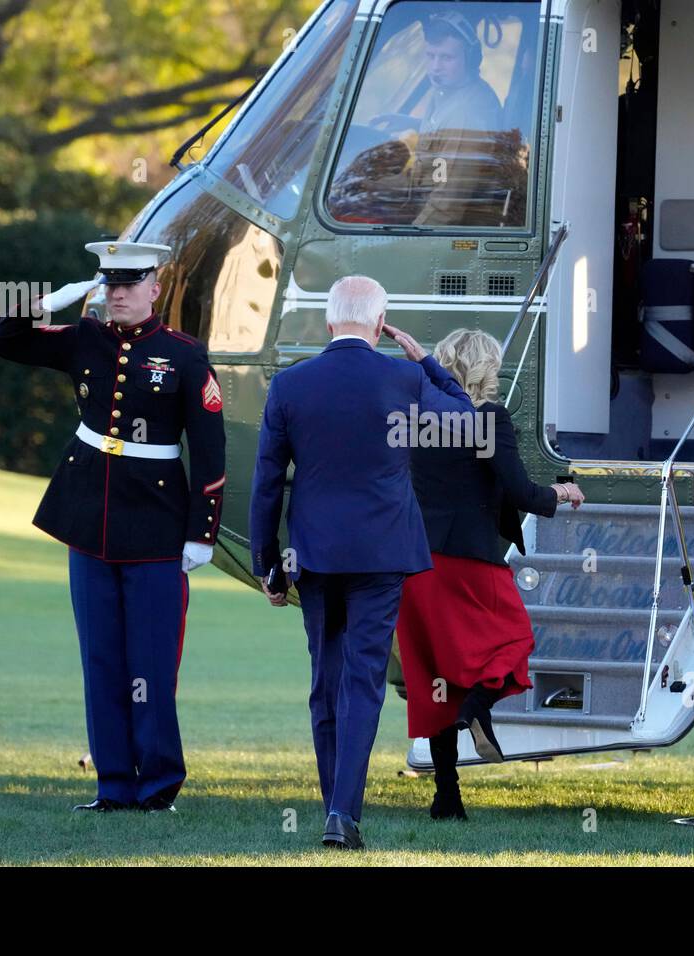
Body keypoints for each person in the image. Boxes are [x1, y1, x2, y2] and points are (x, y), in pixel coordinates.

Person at [0, 240, 227, 814]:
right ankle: (113, 786)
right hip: (88, 516)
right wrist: (47, 303)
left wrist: (202, 533)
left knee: (151, 660)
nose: (117, 293)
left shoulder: (186, 356)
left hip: (156, 524)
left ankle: (159, 784)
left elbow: (211, 451)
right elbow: (3, 342)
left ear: (154, 288)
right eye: (109, 283)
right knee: (101, 660)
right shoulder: (85, 337)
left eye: (129, 283)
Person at [248, 275, 475, 850]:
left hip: (314, 555)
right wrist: (427, 363)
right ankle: (342, 813)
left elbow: (268, 482)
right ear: (380, 325)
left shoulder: (291, 384)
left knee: (325, 681)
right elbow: (466, 420)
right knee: (363, 680)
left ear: (328, 323)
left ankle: (334, 807)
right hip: (380, 553)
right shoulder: (402, 377)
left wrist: (266, 563)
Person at [394, 328, 584, 820]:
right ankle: (477, 708)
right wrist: (563, 493)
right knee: (514, 642)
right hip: (471, 560)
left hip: (417, 565)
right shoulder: (489, 419)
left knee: (436, 675)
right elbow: (522, 493)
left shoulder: (417, 421)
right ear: (484, 370)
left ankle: (447, 796)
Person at [406, 10, 504, 225]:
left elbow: (446, 206)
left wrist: (406, 241)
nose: (435, 67)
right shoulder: (448, 92)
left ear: (469, 60)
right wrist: (406, 122)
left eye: (446, 58)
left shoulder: (465, 114)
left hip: (455, 229)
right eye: (430, 55)